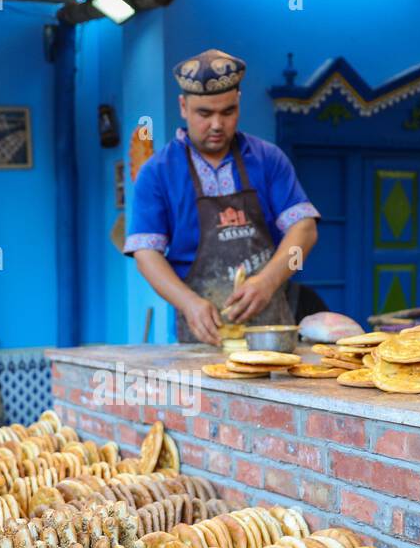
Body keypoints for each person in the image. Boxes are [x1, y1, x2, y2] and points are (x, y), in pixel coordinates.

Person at [126, 48, 320, 344]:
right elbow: (146, 255)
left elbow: (305, 231)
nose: (217, 124)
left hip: (269, 336)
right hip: (201, 336)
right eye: (204, 113)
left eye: (227, 112)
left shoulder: (268, 159)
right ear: (183, 106)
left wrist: (268, 282)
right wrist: (188, 302)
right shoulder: (158, 172)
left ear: (238, 104)